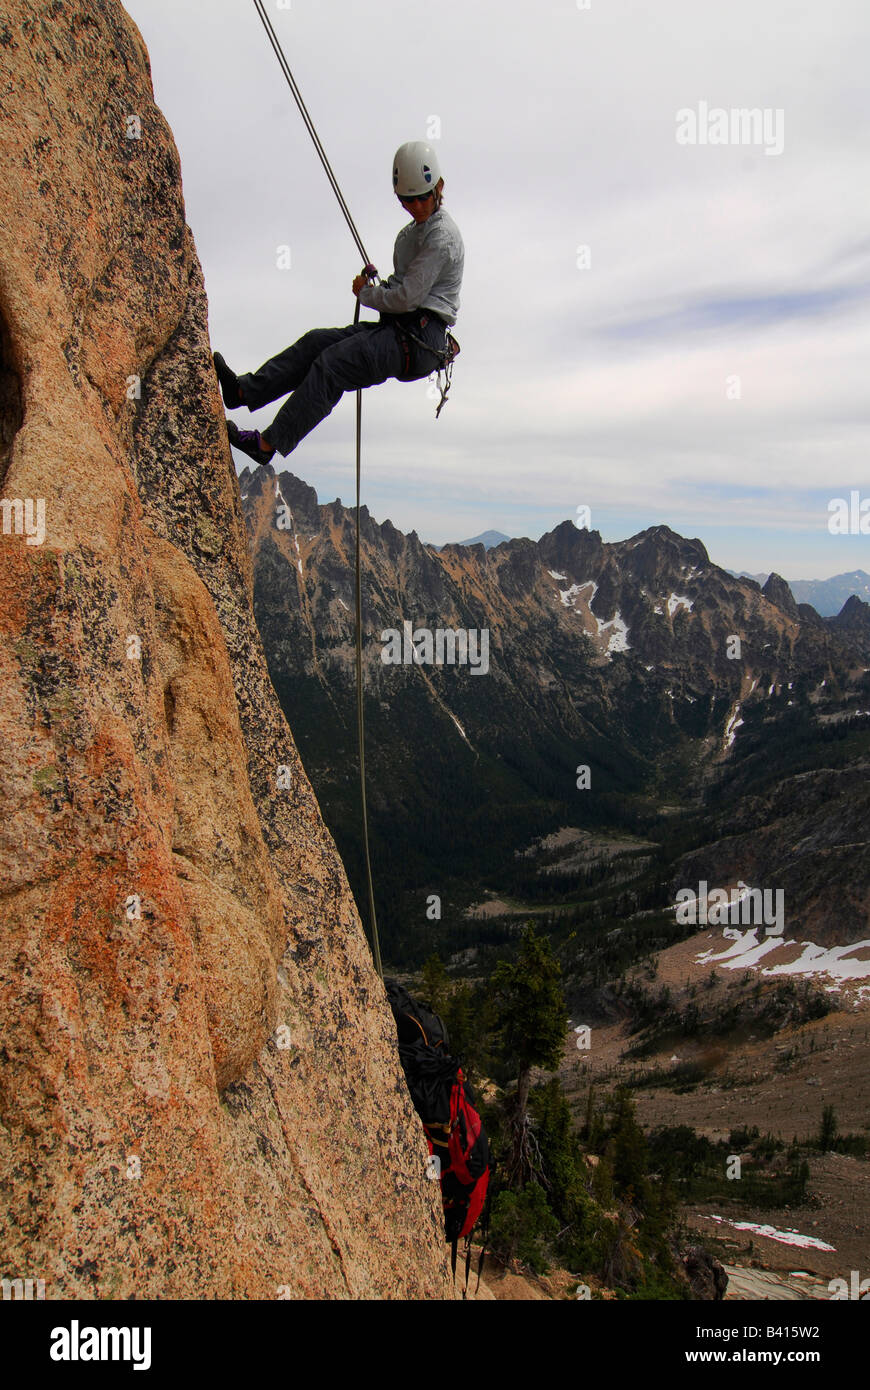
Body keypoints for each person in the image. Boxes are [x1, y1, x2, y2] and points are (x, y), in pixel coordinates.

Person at [215, 141, 464, 465]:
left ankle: (265, 445)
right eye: (407, 199)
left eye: (422, 198)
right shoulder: (407, 237)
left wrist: (366, 293)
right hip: (403, 330)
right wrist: (378, 286)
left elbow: (405, 298)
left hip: (420, 340)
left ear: (438, 188)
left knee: (333, 365)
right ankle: (244, 392)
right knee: (315, 343)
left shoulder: (442, 237)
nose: (415, 206)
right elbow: (403, 287)